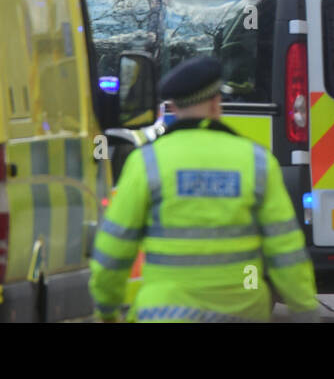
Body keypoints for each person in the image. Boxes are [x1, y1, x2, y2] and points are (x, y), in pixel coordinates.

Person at [88, 56, 319, 323]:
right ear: (215, 102)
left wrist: (106, 310)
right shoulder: (256, 162)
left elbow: (114, 249)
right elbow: (285, 250)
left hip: (163, 313)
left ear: (173, 106)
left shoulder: (147, 163)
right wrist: (305, 310)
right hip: (242, 310)